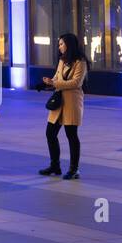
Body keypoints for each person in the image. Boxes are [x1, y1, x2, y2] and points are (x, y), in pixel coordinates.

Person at [38, 32, 87, 180]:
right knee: (50, 133)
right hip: (59, 103)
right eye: (59, 44)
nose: (59, 46)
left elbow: (76, 83)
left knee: (71, 136)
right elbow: (57, 78)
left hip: (72, 103)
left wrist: (55, 83)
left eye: (61, 44)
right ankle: (55, 165)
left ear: (69, 44)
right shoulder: (62, 61)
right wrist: (47, 82)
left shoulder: (80, 62)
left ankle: (74, 169)